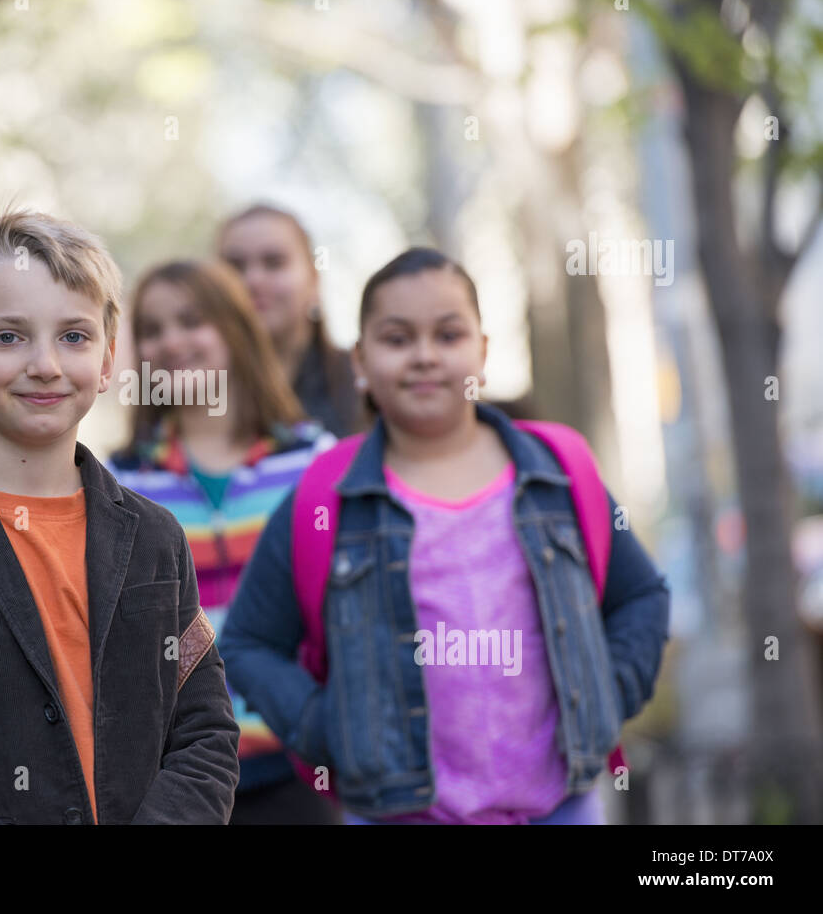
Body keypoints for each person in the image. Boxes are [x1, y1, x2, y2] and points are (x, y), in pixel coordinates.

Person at [219, 247, 670, 824]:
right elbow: (247, 643)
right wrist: (332, 730)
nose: (425, 356)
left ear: (482, 352)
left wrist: (607, 695)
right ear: (360, 361)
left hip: (561, 808)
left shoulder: (558, 472)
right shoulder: (323, 498)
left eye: (449, 335)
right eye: (398, 339)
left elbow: (642, 596)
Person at [0, 209, 239, 824]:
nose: (46, 364)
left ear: (108, 360)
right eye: (8, 337)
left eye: (73, 337)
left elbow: (206, 736)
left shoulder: (156, 538)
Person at [106, 258, 343, 823]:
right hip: (178, 778)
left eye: (192, 321)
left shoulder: (314, 463)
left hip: (302, 769)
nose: (172, 342)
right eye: (154, 329)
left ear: (235, 329)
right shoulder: (119, 483)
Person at [216, 203, 369, 437]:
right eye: (234, 266)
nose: (252, 280)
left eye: (274, 262)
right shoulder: (190, 392)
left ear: (313, 278)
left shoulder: (363, 382)